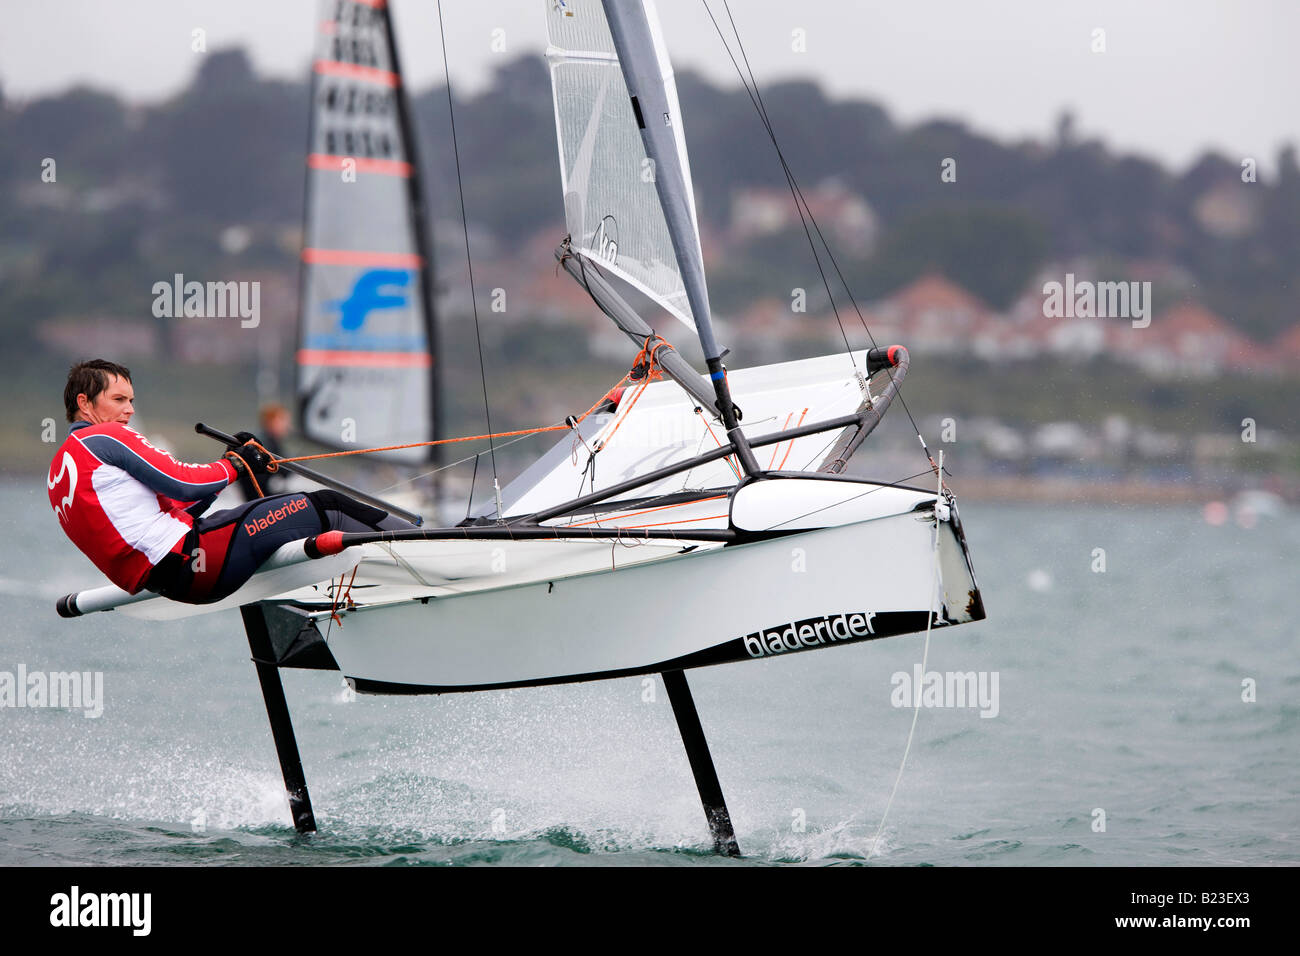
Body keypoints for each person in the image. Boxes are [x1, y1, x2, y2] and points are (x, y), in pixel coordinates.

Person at [47, 359, 415, 605]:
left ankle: (385, 575)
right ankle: (433, 543)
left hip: (177, 579)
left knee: (294, 515)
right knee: (328, 505)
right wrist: (236, 464)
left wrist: (236, 471)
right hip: (195, 557)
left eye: (131, 400)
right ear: (85, 402)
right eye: (119, 399)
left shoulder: (60, 469)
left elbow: (177, 509)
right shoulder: (103, 438)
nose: (129, 410)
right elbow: (183, 484)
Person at [235, 402, 292, 500]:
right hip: (258, 497)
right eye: (283, 421)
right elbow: (272, 470)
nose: (288, 426)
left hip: (259, 497)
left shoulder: (273, 442)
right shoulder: (262, 442)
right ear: (272, 421)